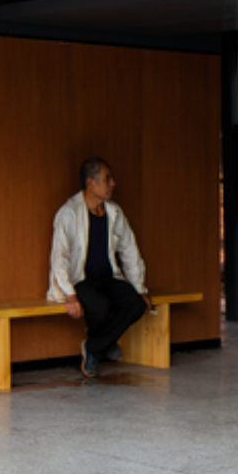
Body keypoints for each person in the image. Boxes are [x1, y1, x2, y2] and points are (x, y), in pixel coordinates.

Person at [48, 157, 154, 379]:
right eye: (108, 178)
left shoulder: (115, 212)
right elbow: (59, 257)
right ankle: (104, 346)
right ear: (90, 183)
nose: (113, 183)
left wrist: (140, 287)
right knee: (100, 306)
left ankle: (94, 347)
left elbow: (130, 250)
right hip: (81, 281)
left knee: (135, 304)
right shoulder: (68, 213)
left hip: (107, 278)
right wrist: (69, 295)